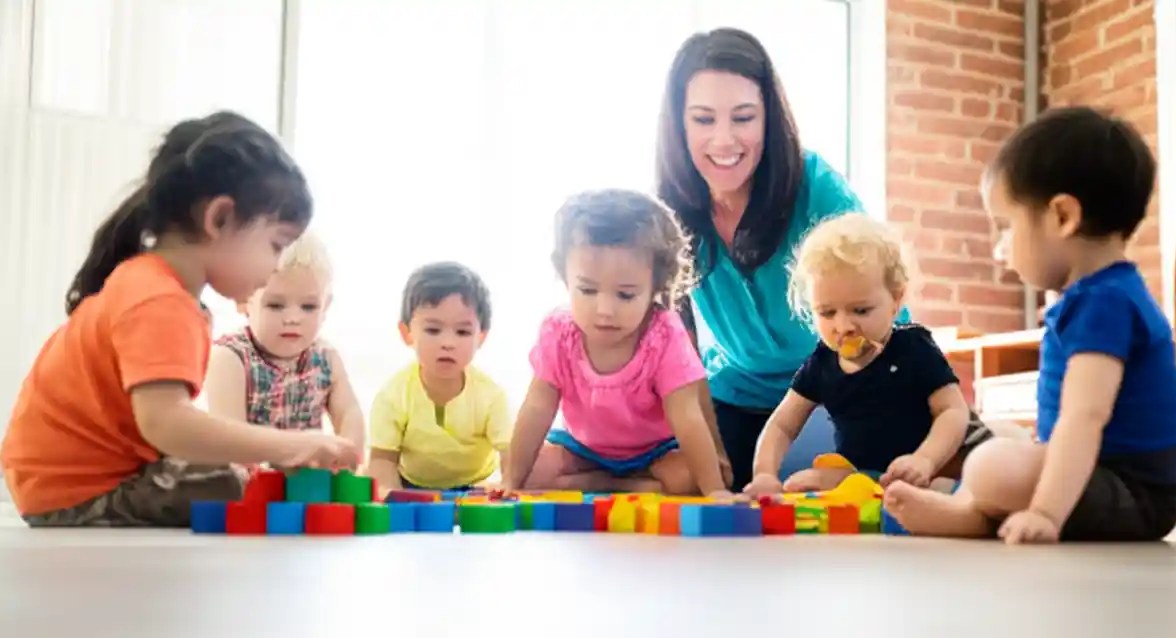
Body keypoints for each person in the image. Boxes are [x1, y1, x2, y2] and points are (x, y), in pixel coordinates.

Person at [0, 111, 360, 527]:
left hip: (55, 484)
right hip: (73, 494)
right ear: (219, 219)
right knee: (229, 483)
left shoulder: (149, 284)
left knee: (235, 476)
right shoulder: (159, 300)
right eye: (276, 245)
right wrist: (291, 446)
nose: (274, 267)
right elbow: (165, 424)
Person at [884, 106, 1176, 544]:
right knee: (1003, 436)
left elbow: (1085, 417)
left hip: (1133, 495)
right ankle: (973, 512)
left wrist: (1046, 513)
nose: (999, 250)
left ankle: (972, 512)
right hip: (1110, 480)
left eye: (1006, 227)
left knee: (991, 466)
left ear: (1063, 217)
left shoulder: (1104, 303)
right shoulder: (1102, 296)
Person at [656, 27, 908, 491]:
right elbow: (678, 345)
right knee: (697, 484)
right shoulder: (672, 208)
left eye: (744, 118)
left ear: (768, 119)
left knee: (846, 486)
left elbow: (883, 299)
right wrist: (703, 438)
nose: (725, 140)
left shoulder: (814, 186)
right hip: (738, 395)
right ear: (680, 123)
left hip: (836, 386)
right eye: (704, 119)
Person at [743, 213, 991, 497]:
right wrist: (764, 474)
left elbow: (952, 411)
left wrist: (925, 460)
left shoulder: (913, 347)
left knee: (961, 485)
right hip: (875, 473)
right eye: (827, 312)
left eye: (860, 310)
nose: (844, 327)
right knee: (812, 481)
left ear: (895, 301)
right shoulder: (822, 363)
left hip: (952, 461)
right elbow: (782, 424)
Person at [504, 189, 731, 498]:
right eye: (587, 290)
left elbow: (687, 416)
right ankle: (625, 487)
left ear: (656, 288)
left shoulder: (663, 334)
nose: (604, 310)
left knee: (688, 476)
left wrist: (715, 490)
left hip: (654, 454)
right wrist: (510, 484)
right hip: (583, 451)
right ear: (566, 277)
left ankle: (603, 486)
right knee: (526, 467)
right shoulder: (559, 332)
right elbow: (536, 407)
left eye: (625, 295)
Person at [205, 233, 364, 452]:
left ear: (325, 307)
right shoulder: (230, 358)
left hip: (307, 481)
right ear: (243, 302)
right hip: (248, 479)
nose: (293, 318)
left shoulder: (326, 358)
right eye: (275, 305)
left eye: (308, 307)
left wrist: (348, 451)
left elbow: (349, 413)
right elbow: (228, 440)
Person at [367, 262, 511, 496]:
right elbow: (383, 459)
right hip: (411, 486)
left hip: (478, 486)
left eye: (462, 332)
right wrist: (391, 495)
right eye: (433, 330)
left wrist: (508, 485)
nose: (448, 343)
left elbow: (511, 452)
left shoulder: (491, 396)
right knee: (367, 480)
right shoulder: (393, 395)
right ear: (407, 334)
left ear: (481, 338)